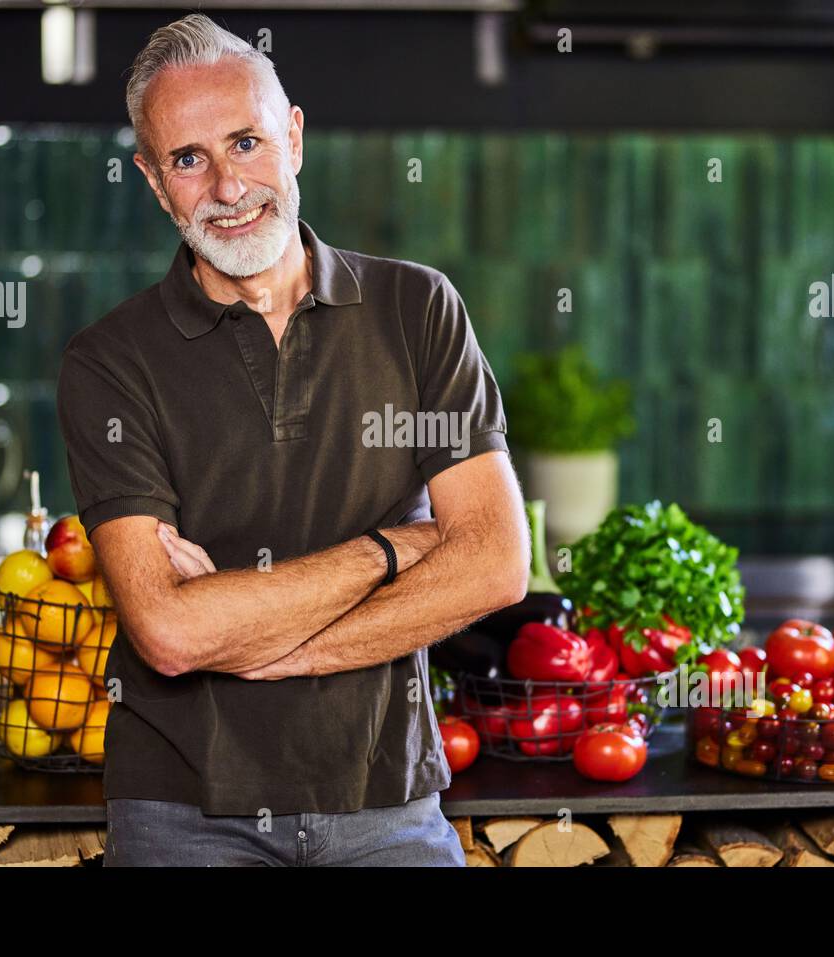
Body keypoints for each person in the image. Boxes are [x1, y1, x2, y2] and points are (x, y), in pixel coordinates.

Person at [56, 13, 529, 866]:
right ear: (156, 183)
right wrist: (394, 548)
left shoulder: (418, 310)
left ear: (295, 138)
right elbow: (168, 630)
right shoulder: (108, 362)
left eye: (246, 142)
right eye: (189, 160)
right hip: (182, 807)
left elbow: (495, 562)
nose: (228, 188)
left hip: (386, 796)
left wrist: (273, 642)